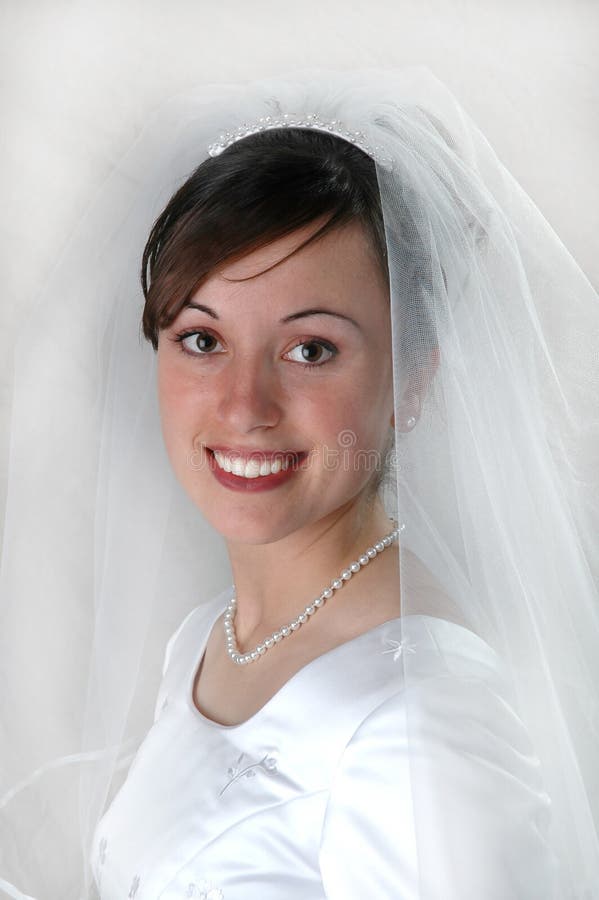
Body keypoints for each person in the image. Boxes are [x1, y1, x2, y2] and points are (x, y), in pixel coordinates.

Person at [1, 68, 598, 899]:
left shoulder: (420, 727)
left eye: (310, 348)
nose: (243, 406)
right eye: (202, 340)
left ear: (412, 380)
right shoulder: (210, 639)